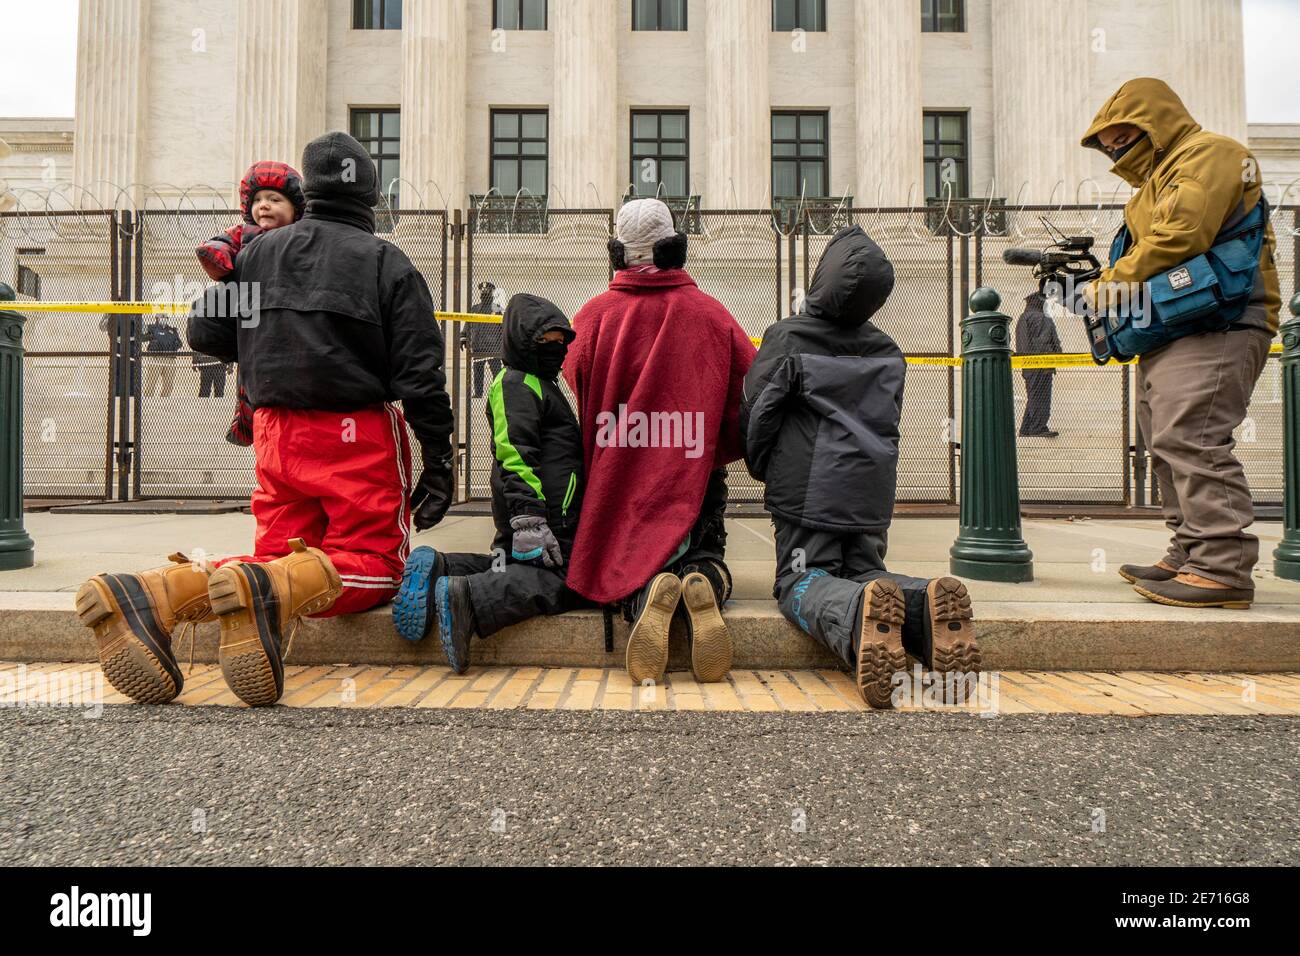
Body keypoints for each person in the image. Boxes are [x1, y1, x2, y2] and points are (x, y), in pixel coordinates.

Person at [76, 131, 455, 707]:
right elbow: (419, 375)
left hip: (275, 433)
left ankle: (160, 592)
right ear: (372, 195)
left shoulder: (256, 252)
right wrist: (440, 460)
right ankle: (270, 592)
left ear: (308, 189)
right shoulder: (386, 260)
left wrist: (248, 301)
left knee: (276, 554)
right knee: (378, 566)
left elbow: (204, 334)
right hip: (353, 431)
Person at [741, 226, 979, 708]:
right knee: (866, 571)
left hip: (808, 493)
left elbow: (757, 413)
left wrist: (766, 468)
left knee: (801, 581)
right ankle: (925, 603)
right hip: (869, 494)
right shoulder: (888, 351)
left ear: (820, 279)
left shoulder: (787, 338)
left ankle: (853, 616)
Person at [1079, 78, 1281, 609]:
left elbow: (1181, 235)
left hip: (1223, 320)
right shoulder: (1152, 182)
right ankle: (1191, 551)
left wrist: (1108, 286)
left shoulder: (1210, 153)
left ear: (1156, 121)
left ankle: (1222, 565)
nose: (1114, 148)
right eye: (1109, 141)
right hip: (1180, 322)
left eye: (1124, 135)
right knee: (1165, 441)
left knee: (1192, 435)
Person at [564, 198, 756, 685]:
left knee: (622, 560)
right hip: (695, 473)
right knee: (707, 551)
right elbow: (749, 387)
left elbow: (573, 372)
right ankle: (704, 581)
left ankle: (643, 596)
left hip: (617, 474)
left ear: (616, 253)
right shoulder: (711, 315)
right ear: (675, 248)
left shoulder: (594, 317)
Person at [393, 294, 584, 672]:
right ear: (522, 339)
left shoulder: (538, 383)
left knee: (508, 565)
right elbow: (516, 454)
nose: (557, 349)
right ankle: (471, 601)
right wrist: (530, 520)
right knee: (563, 582)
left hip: (540, 519)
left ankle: (443, 570)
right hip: (543, 520)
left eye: (562, 341)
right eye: (547, 340)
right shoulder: (517, 384)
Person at [196, 160, 307, 445]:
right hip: (252, 320)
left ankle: (253, 425)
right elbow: (219, 244)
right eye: (257, 200)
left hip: (285, 321)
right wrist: (217, 257)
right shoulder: (244, 234)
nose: (264, 206)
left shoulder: (302, 237)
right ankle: (246, 424)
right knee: (249, 381)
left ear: (296, 207)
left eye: (274, 199)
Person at [1015, 290, 1061, 438]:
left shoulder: (1024, 317)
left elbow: (1024, 343)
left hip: (1028, 365)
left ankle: (1026, 428)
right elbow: (1047, 342)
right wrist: (1056, 357)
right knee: (1041, 397)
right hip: (1042, 365)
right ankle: (1038, 428)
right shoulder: (1041, 318)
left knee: (1034, 396)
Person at [463, 281, 504, 398]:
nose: (484, 293)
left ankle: (498, 391)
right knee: (478, 370)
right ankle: (478, 392)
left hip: (493, 346)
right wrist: (463, 337)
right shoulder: (474, 309)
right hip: (478, 345)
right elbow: (468, 324)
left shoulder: (497, 309)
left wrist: (502, 343)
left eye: (487, 291)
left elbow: (503, 327)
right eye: (482, 291)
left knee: (496, 371)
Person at [140, 317, 181, 397]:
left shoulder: (172, 330)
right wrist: (151, 337)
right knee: (151, 384)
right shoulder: (152, 327)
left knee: (169, 385)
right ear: (157, 318)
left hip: (170, 359)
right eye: (162, 317)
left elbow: (179, 343)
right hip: (156, 358)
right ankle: (148, 403)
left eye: (165, 317)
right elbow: (142, 338)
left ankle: (163, 402)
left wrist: (175, 344)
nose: (164, 319)